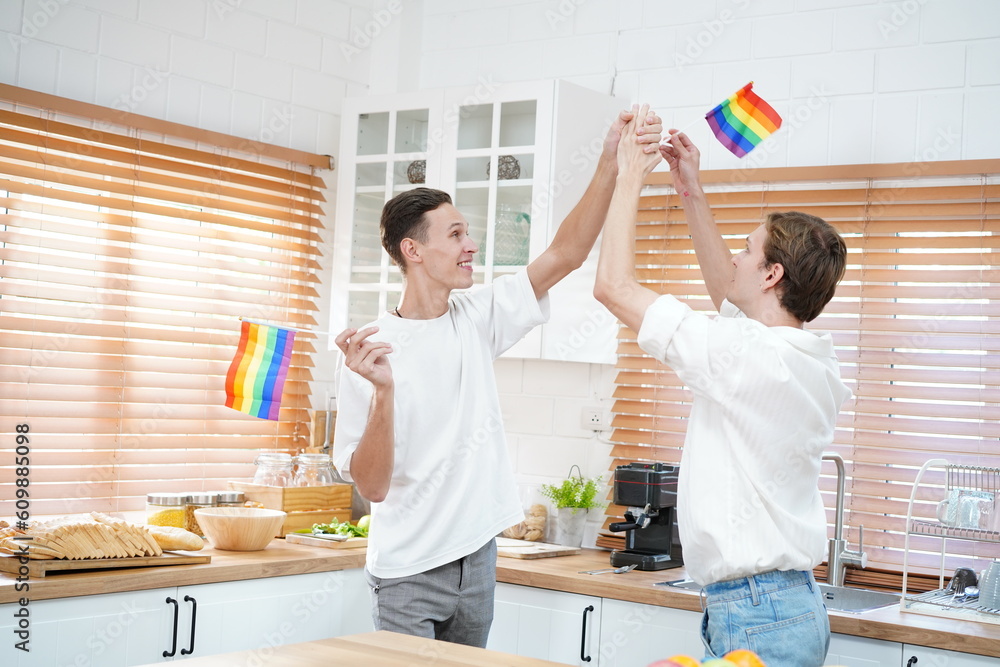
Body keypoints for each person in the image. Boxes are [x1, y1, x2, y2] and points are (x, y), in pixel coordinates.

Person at [332, 108, 663, 647]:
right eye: (456, 233)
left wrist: (609, 163)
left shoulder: (476, 317)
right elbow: (372, 485)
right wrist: (384, 394)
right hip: (407, 571)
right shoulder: (366, 354)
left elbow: (567, 253)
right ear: (413, 251)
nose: (471, 245)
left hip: (477, 563)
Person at [593, 106, 850, 666]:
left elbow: (612, 286)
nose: (735, 256)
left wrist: (629, 176)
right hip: (777, 606)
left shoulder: (747, 356)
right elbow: (731, 297)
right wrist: (691, 190)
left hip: (757, 614)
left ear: (772, 275)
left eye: (748, 250)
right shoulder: (802, 356)